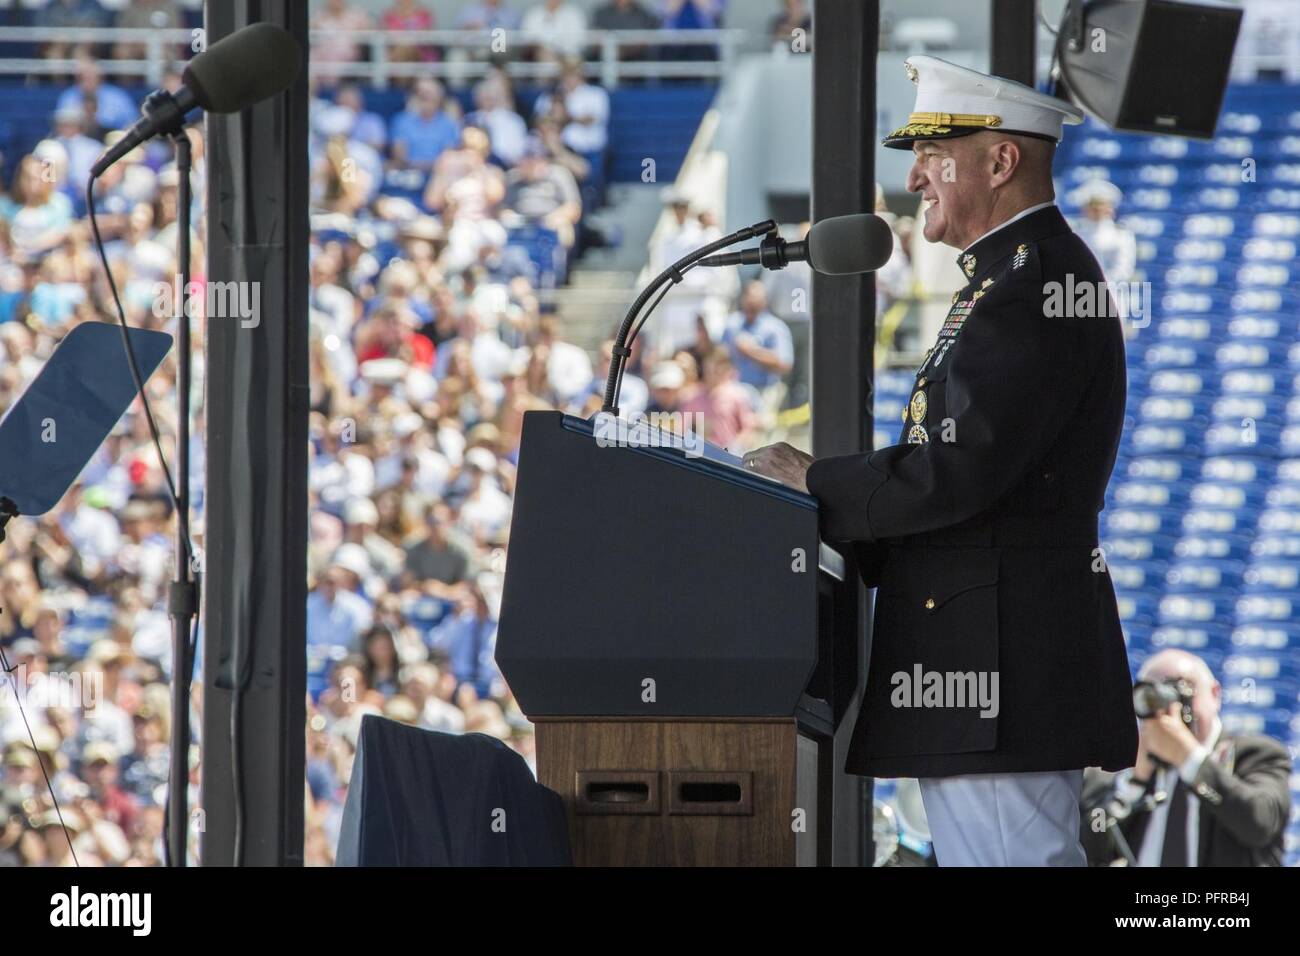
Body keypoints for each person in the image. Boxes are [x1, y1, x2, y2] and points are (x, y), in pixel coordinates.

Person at [744, 56, 1138, 866]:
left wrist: (813, 481)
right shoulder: (1008, 279)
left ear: (1000, 162)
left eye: (934, 153)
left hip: (999, 667)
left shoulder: (1036, 282)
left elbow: (960, 472)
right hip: (980, 663)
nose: (917, 176)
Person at [1080, 650, 1291, 867]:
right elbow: (1089, 848)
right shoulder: (1114, 773)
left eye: (1184, 690)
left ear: (1215, 693)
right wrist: (1135, 782)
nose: (1170, 709)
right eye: (1153, 698)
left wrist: (1190, 759)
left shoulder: (1256, 755)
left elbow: (1259, 824)